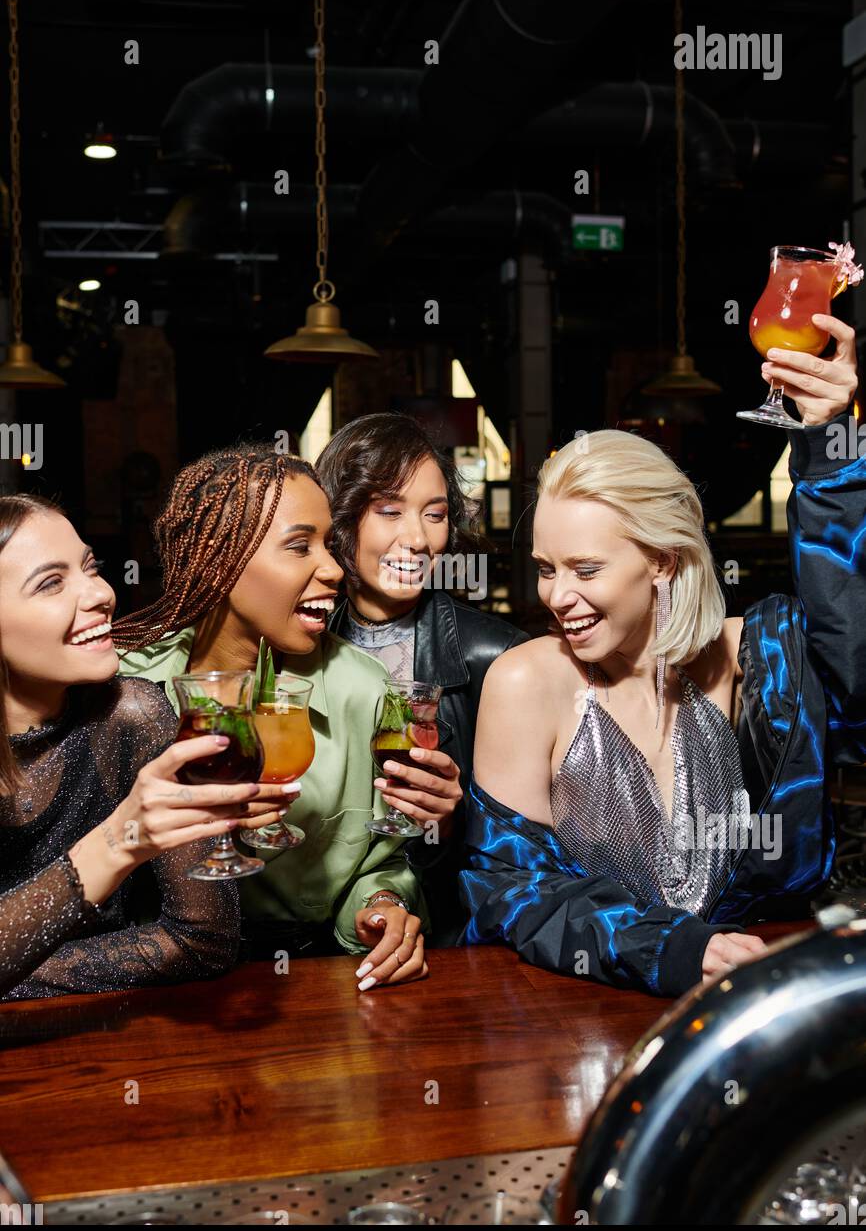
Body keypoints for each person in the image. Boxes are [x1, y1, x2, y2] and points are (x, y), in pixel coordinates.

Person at [460, 314, 864, 996]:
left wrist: (830, 446)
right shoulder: (527, 680)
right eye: (544, 567)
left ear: (662, 561)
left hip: (757, 999)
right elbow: (507, 889)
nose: (557, 596)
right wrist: (672, 950)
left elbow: (852, 658)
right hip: (581, 1018)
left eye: (585, 570)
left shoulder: (756, 658)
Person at [115, 444, 452, 990]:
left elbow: (382, 862)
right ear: (219, 561)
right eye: (300, 546)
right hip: (157, 986)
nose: (335, 569)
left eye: (329, 545)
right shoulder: (124, 692)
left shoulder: (359, 689)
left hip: (309, 986)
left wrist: (383, 908)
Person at [0, 494, 271, 999]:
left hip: (106, 1042)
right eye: (51, 583)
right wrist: (118, 840)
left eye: (89, 567)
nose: (101, 593)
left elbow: (204, 940)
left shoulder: (132, 713)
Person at [316, 412, 528, 944]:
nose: (416, 538)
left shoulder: (498, 656)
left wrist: (453, 823)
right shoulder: (303, 649)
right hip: (326, 948)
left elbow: (540, 854)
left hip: (451, 946)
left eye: (434, 515)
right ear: (341, 521)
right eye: (390, 511)